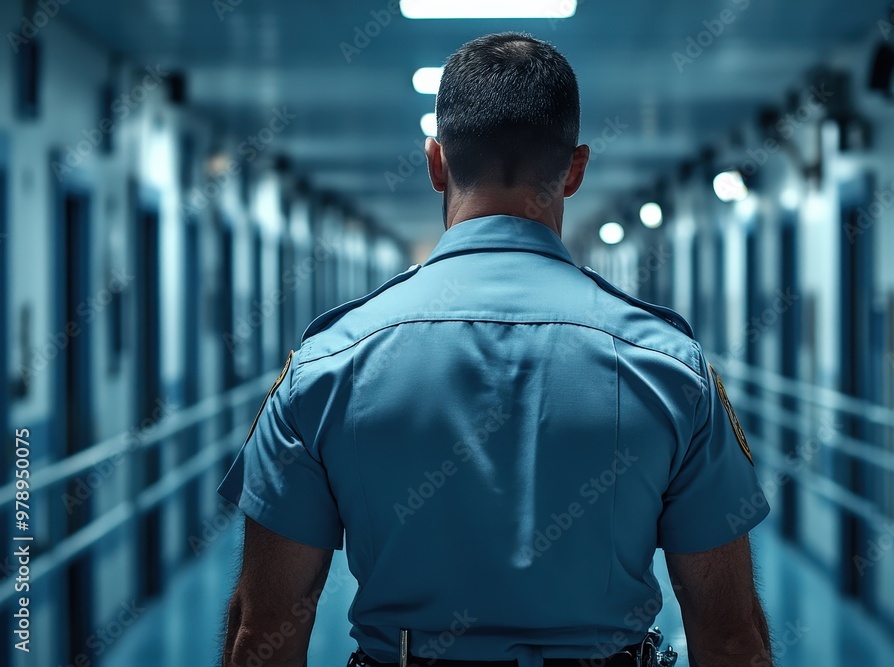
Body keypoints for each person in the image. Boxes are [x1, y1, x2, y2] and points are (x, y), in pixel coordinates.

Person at [218, 32, 772, 667]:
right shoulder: (671, 370)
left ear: (434, 163)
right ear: (575, 169)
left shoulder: (328, 365)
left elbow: (261, 632)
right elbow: (730, 637)